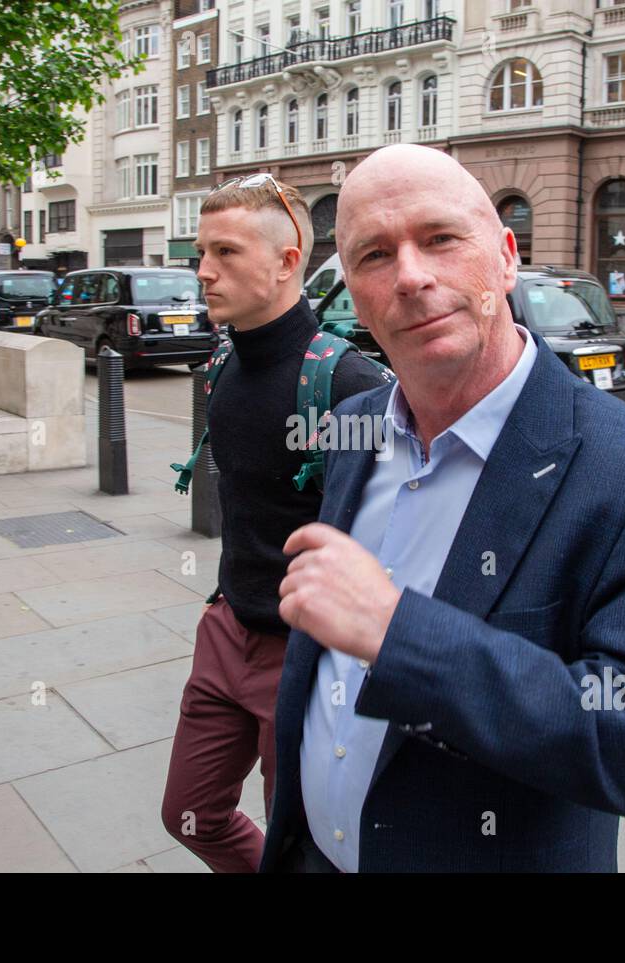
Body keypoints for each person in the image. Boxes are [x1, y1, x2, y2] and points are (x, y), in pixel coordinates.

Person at [261, 144, 625, 873]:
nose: (411, 276)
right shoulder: (355, 426)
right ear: (351, 287)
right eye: (375, 255)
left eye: (441, 238)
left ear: (506, 257)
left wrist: (397, 631)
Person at [159, 175, 388, 872]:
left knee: (302, 838)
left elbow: (385, 539)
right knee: (188, 812)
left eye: (225, 252)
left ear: (288, 262)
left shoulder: (347, 383)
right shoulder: (224, 359)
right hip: (227, 627)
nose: (203, 271)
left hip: (304, 653)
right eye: (202, 252)